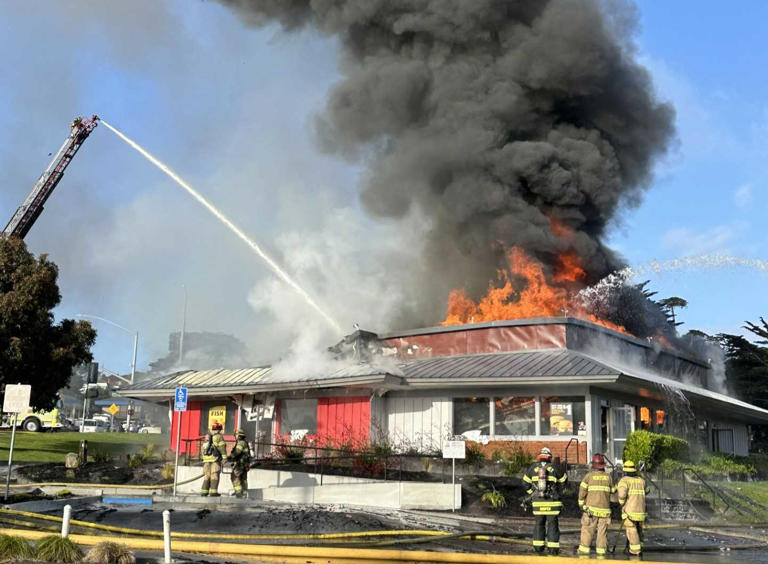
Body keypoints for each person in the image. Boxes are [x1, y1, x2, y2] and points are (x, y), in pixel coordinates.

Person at [523, 446, 567, 555]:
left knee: (539, 524)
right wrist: (558, 493)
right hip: (552, 502)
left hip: (538, 503)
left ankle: (538, 548)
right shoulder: (555, 467)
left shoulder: (532, 468)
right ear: (549, 457)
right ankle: (553, 549)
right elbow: (564, 482)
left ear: (540, 457)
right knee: (552, 525)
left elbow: (525, 483)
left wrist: (532, 494)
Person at [578, 453, 615, 557]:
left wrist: (582, 505)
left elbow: (582, 492)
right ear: (603, 465)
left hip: (590, 511)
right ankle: (601, 553)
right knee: (602, 533)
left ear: (593, 465)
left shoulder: (588, 477)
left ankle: (584, 552)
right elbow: (613, 490)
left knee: (587, 530)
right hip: (605, 511)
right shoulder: (608, 477)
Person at [617, 460, 649, 556]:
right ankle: (639, 546)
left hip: (630, 511)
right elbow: (647, 490)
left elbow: (622, 496)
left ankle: (635, 550)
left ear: (625, 471)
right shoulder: (641, 481)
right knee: (639, 529)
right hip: (641, 511)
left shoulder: (624, 480)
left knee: (631, 528)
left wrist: (622, 504)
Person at [200, 421, 227, 496]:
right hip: (214, 460)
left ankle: (204, 492)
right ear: (219, 430)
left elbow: (203, 450)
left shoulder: (208, 437)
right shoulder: (219, 437)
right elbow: (222, 448)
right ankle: (213, 492)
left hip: (206, 461)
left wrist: (203, 458)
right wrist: (225, 458)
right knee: (214, 476)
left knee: (206, 476)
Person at [227, 428, 252, 498]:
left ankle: (238, 493)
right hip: (244, 464)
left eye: (236, 435)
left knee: (234, 477)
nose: (235, 436)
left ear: (239, 436)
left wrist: (229, 457)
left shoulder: (241, 443)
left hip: (240, 464)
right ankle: (244, 494)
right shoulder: (244, 442)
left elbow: (237, 452)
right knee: (243, 479)